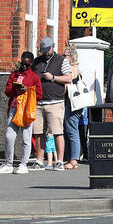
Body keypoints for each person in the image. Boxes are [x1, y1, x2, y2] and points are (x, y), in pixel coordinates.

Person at [0, 51, 42, 174]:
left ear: (31, 63)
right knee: (9, 136)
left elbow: (39, 95)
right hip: (14, 107)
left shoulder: (34, 77)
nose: (24, 66)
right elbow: (7, 91)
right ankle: (8, 163)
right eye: (22, 63)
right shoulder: (14, 75)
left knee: (26, 138)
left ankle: (23, 164)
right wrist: (15, 89)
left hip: (27, 109)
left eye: (27, 64)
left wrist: (27, 90)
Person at [32, 36, 72, 170]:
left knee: (57, 132)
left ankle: (60, 161)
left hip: (55, 101)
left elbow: (69, 77)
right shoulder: (36, 61)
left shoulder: (61, 60)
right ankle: (39, 160)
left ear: (53, 47)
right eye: (43, 50)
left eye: (47, 50)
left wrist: (53, 78)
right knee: (38, 132)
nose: (45, 52)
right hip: (39, 101)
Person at [62, 45, 87, 169]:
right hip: (76, 103)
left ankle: (73, 160)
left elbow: (67, 86)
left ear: (70, 57)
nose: (63, 58)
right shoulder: (77, 68)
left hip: (73, 103)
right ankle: (72, 158)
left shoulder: (72, 68)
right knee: (71, 128)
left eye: (65, 55)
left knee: (71, 129)